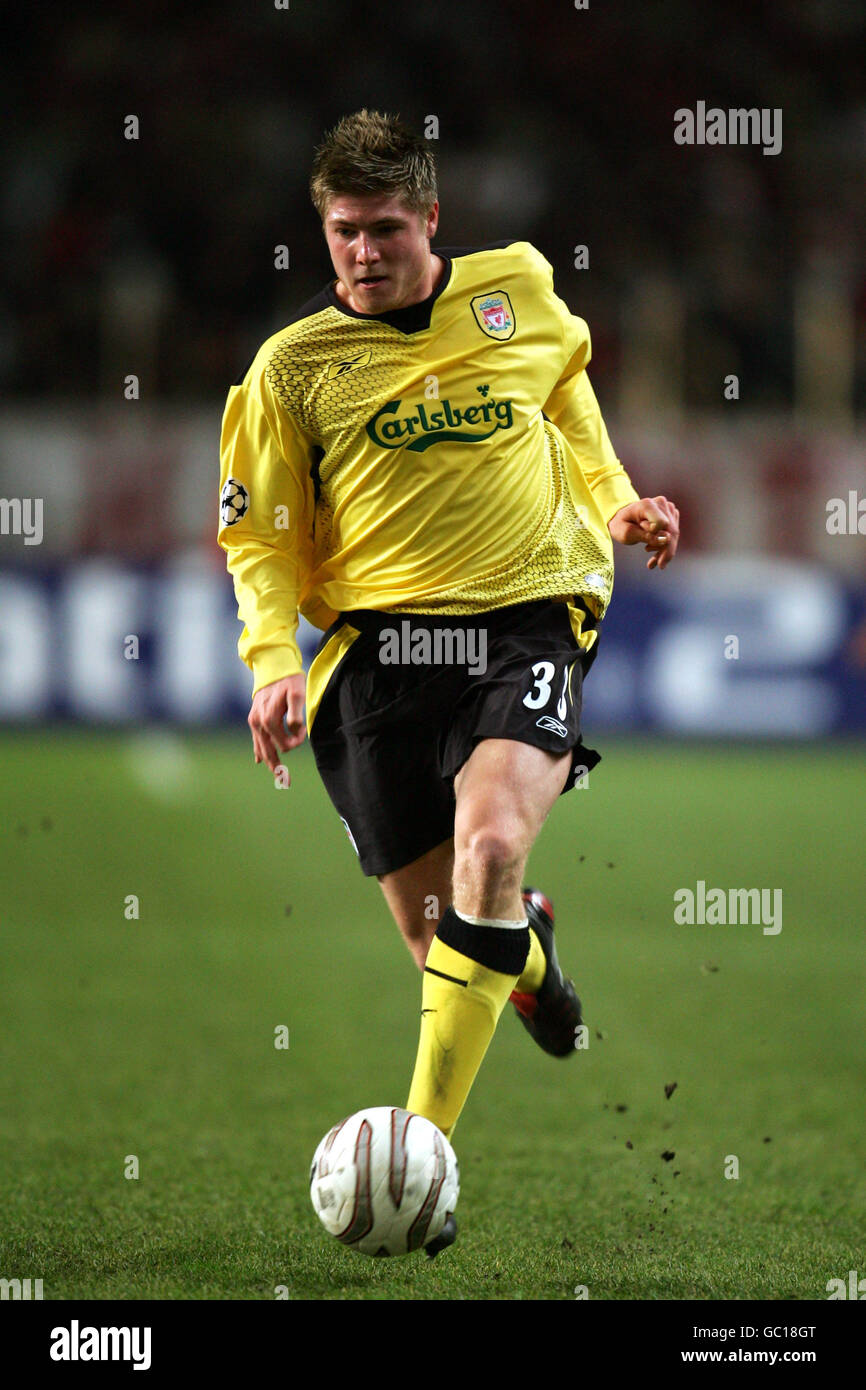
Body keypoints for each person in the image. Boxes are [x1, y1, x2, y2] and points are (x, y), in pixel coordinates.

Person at [219, 108, 679, 1254]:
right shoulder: (290, 368)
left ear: (431, 218)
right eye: (341, 233)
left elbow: (563, 382)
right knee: (448, 946)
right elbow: (261, 538)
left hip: (526, 617)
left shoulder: (514, 287)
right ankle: (527, 947)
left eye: (383, 228)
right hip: (376, 649)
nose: (363, 253)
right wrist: (275, 662)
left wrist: (613, 493)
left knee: (487, 849)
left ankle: (418, 1158)